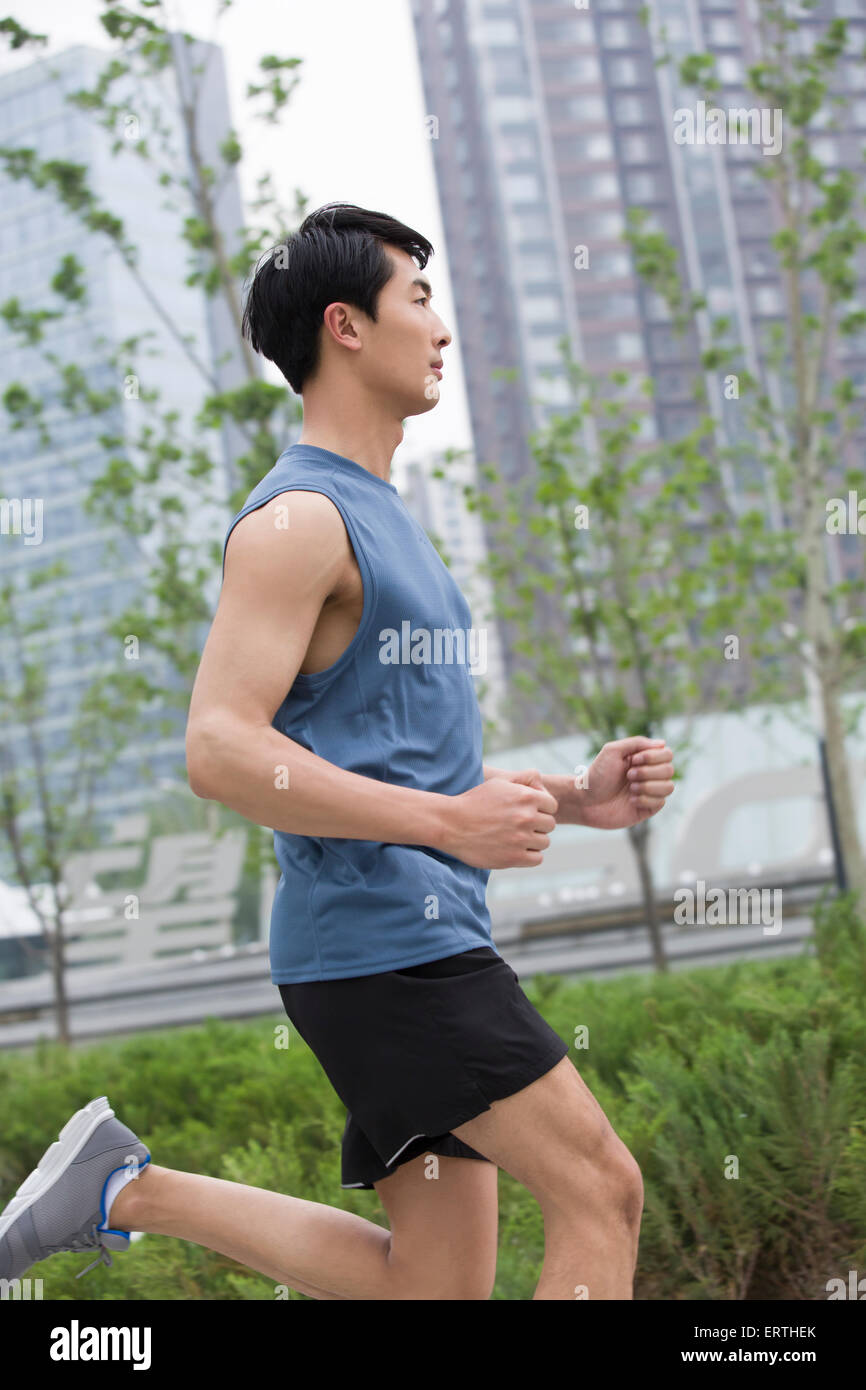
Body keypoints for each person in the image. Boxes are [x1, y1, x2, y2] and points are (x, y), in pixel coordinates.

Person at [0, 203, 675, 1300]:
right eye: (416, 297)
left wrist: (571, 795)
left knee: (431, 1290)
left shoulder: (386, 514)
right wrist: (450, 825)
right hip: (385, 952)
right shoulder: (301, 517)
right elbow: (218, 748)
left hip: (401, 944)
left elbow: (400, 761)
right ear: (345, 327)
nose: (441, 327)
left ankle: (126, 1188)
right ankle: (123, 1188)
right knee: (601, 1189)